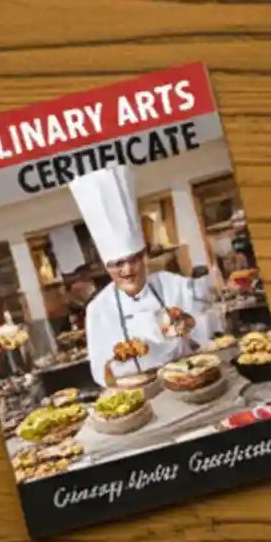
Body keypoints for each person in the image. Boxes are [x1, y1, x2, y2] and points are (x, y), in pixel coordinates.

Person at [69, 164, 214, 387]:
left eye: (133, 259)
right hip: (135, 392)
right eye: (118, 264)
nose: (127, 270)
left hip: (186, 379)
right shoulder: (98, 309)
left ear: (143, 256)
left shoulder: (169, 283)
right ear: (108, 267)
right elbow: (100, 372)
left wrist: (192, 322)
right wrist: (119, 365)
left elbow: (210, 312)